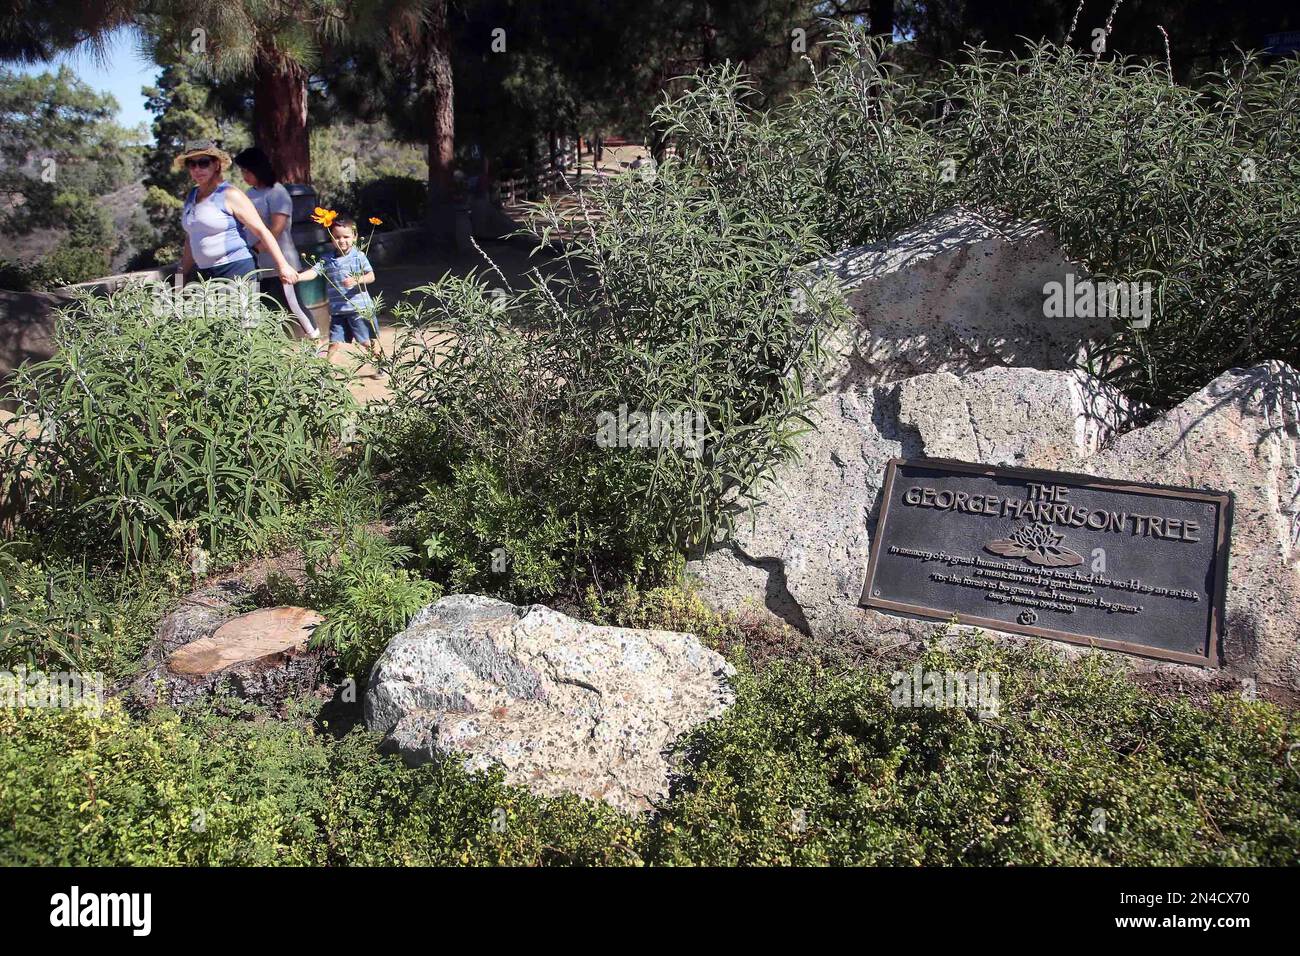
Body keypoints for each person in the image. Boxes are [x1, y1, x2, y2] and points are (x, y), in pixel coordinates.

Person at [175, 140, 297, 288]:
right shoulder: (191, 196)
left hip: (236, 270)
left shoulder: (231, 194)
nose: (197, 169)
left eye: (203, 162)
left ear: (216, 165)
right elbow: (192, 237)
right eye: (191, 164)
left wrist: (283, 265)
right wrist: (181, 272)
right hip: (205, 274)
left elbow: (262, 231)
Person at [232, 146, 319, 339]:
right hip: (257, 265)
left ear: (258, 168)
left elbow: (277, 227)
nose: (244, 175)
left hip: (281, 262)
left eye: (247, 170)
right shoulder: (248, 194)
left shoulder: (277, 192)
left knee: (293, 305)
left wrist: (256, 248)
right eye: (242, 171)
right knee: (261, 308)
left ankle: (316, 342)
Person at [296, 217, 380, 364]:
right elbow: (314, 272)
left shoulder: (358, 256)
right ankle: (326, 374)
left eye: (346, 237)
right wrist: (298, 277)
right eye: (337, 237)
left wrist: (357, 280)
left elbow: (371, 276)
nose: (342, 241)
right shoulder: (327, 259)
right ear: (331, 238)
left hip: (359, 310)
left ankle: (382, 364)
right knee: (334, 343)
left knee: (366, 342)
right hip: (337, 312)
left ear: (354, 237)